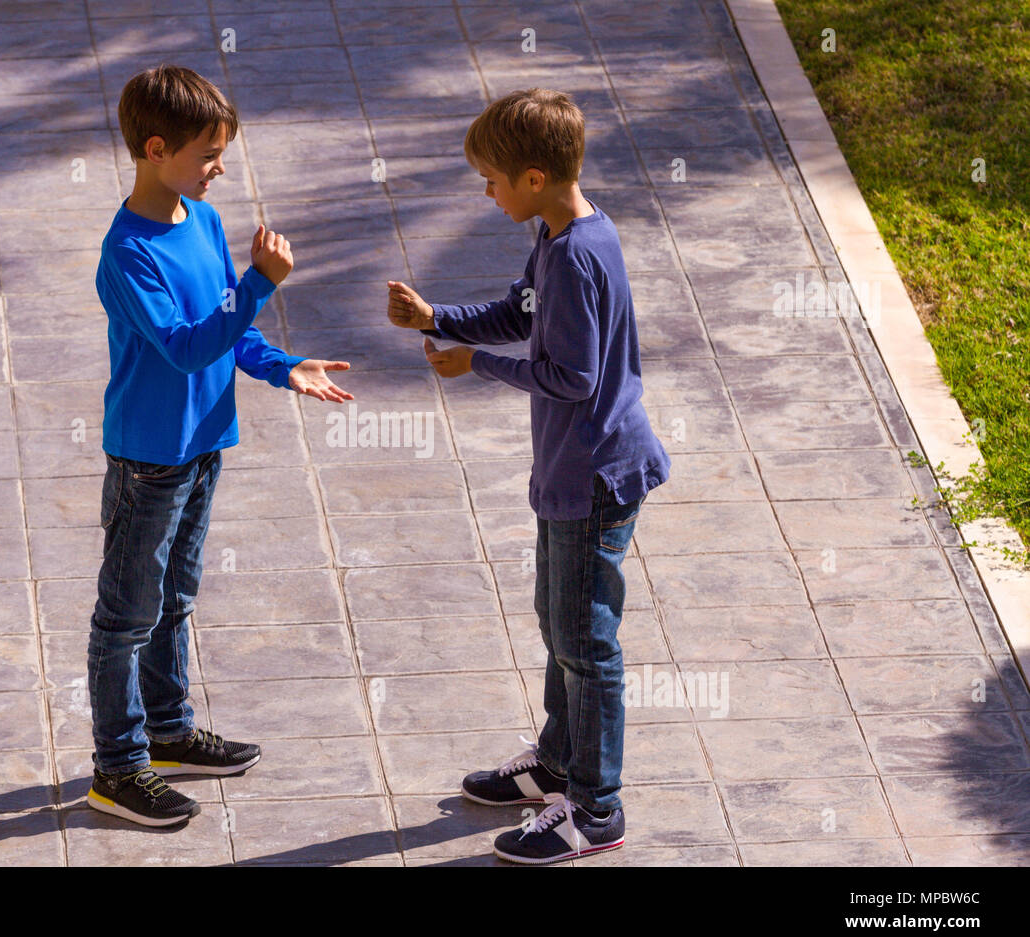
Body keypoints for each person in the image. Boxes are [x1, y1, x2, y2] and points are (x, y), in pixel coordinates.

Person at [387, 88, 670, 863]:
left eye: (493, 179)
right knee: (561, 620)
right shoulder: (565, 234)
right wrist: (436, 318)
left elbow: (571, 377)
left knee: (587, 640)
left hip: (594, 478)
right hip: (570, 474)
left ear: (535, 177)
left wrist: (474, 364)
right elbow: (523, 310)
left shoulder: (577, 255)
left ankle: (598, 810)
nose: (487, 192)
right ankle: (557, 763)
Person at [86, 64, 353, 827]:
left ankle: (167, 732)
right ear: (155, 148)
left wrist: (280, 366)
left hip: (203, 446)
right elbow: (183, 346)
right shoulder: (128, 253)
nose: (220, 169)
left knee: (176, 597)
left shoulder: (200, 222)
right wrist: (260, 282)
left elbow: (230, 333)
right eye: (209, 155)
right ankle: (118, 766)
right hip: (149, 459)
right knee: (125, 617)